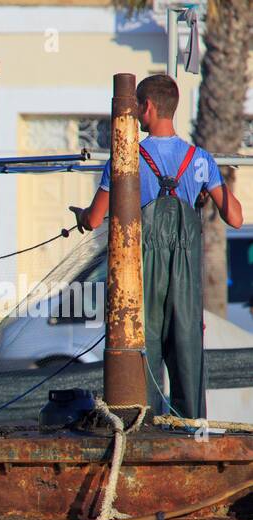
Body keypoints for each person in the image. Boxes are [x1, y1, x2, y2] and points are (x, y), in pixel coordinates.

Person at [70, 73, 243, 420]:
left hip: (141, 274)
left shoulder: (125, 158)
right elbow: (236, 218)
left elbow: (94, 219)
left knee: (139, 353)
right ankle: (192, 429)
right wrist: (204, 190)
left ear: (146, 107)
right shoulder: (200, 160)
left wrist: (81, 215)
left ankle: (141, 427)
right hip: (185, 274)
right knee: (187, 351)